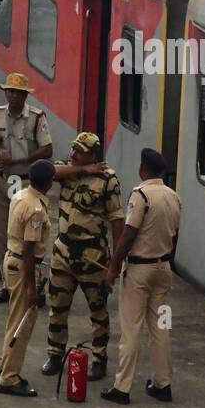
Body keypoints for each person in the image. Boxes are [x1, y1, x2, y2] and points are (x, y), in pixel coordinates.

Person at [100, 148, 181, 405]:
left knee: (131, 328)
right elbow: (175, 236)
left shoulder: (141, 195)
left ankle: (122, 388)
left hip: (139, 271)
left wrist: (113, 267)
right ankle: (162, 384)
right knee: (161, 328)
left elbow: (128, 234)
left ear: (143, 168)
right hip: (163, 269)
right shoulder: (174, 197)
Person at [41, 132, 122, 381]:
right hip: (63, 252)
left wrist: (114, 266)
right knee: (57, 307)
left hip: (92, 255)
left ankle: (99, 358)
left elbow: (117, 221)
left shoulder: (108, 180)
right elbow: (48, 171)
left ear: (93, 154)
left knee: (97, 310)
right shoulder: (70, 170)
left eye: (80, 151)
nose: (74, 154)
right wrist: (83, 168)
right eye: (74, 150)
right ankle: (55, 353)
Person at [0, 72, 52, 303]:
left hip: (24, 182)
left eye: (17, 92)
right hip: (1, 180)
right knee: (2, 233)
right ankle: (8, 283)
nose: (13, 96)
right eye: (9, 91)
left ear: (25, 95)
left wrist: (16, 158)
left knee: (29, 235)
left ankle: (33, 281)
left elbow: (47, 150)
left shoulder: (35, 118)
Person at [0, 159, 55, 397]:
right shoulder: (36, 210)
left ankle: (3, 364)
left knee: (13, 318)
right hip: (24, 265)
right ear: (49, 183)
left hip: (11, 260)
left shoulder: (21, 196)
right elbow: (30, 250)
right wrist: (32, 287)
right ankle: (9, 378)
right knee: (23, 323)